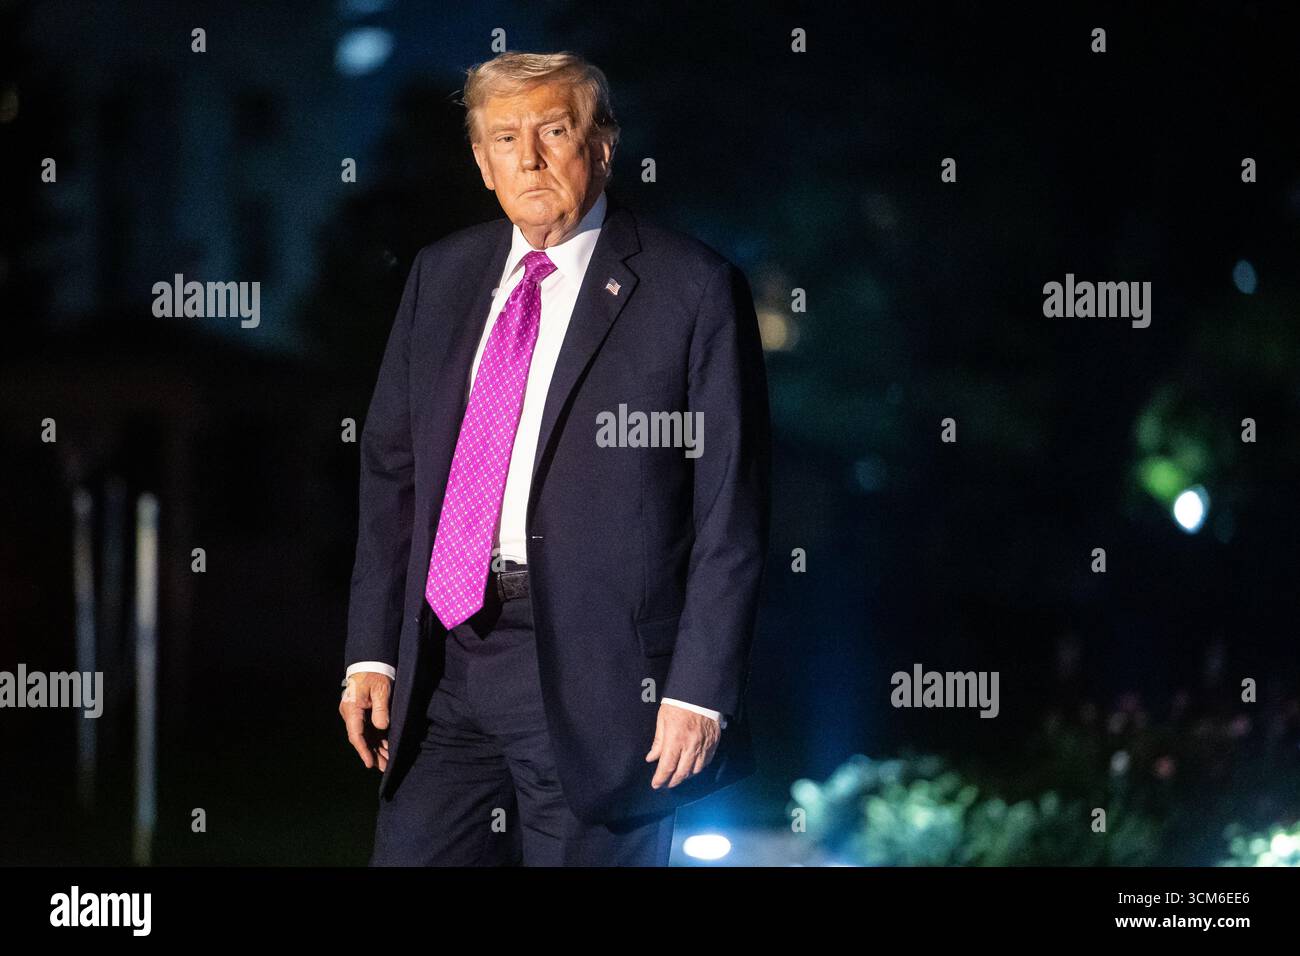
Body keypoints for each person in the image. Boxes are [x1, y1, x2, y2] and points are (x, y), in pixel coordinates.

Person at [338, 50, 771, 866]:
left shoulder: (692, 289)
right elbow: (391, 470)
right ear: (480, 161)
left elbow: (731, 505)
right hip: (447, 665)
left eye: (554, 131)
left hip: (606, 680)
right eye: (505, 138)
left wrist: (698, 690)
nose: (529, 157)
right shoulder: (442, 275)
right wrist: (370, 650)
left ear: (602, 145)